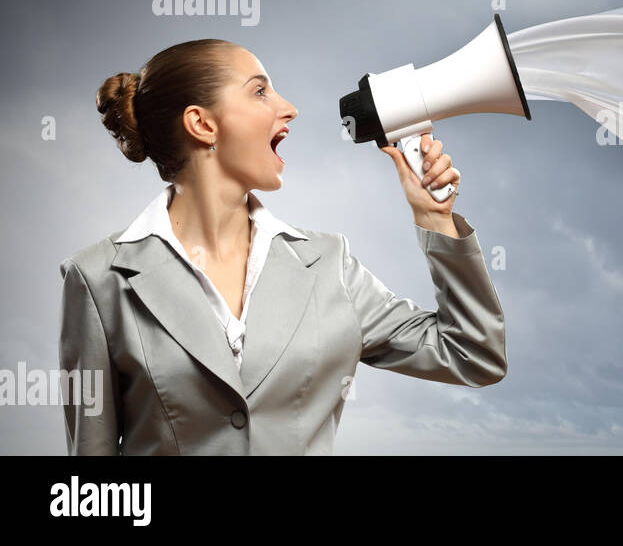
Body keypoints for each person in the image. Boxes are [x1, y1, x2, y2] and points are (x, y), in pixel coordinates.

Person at [58, 39, 507, 455]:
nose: (289, 109)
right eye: (259, 92)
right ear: (202, 123)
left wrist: (435, 219)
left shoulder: (330, 266)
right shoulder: (98, 280)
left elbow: (472, 354)